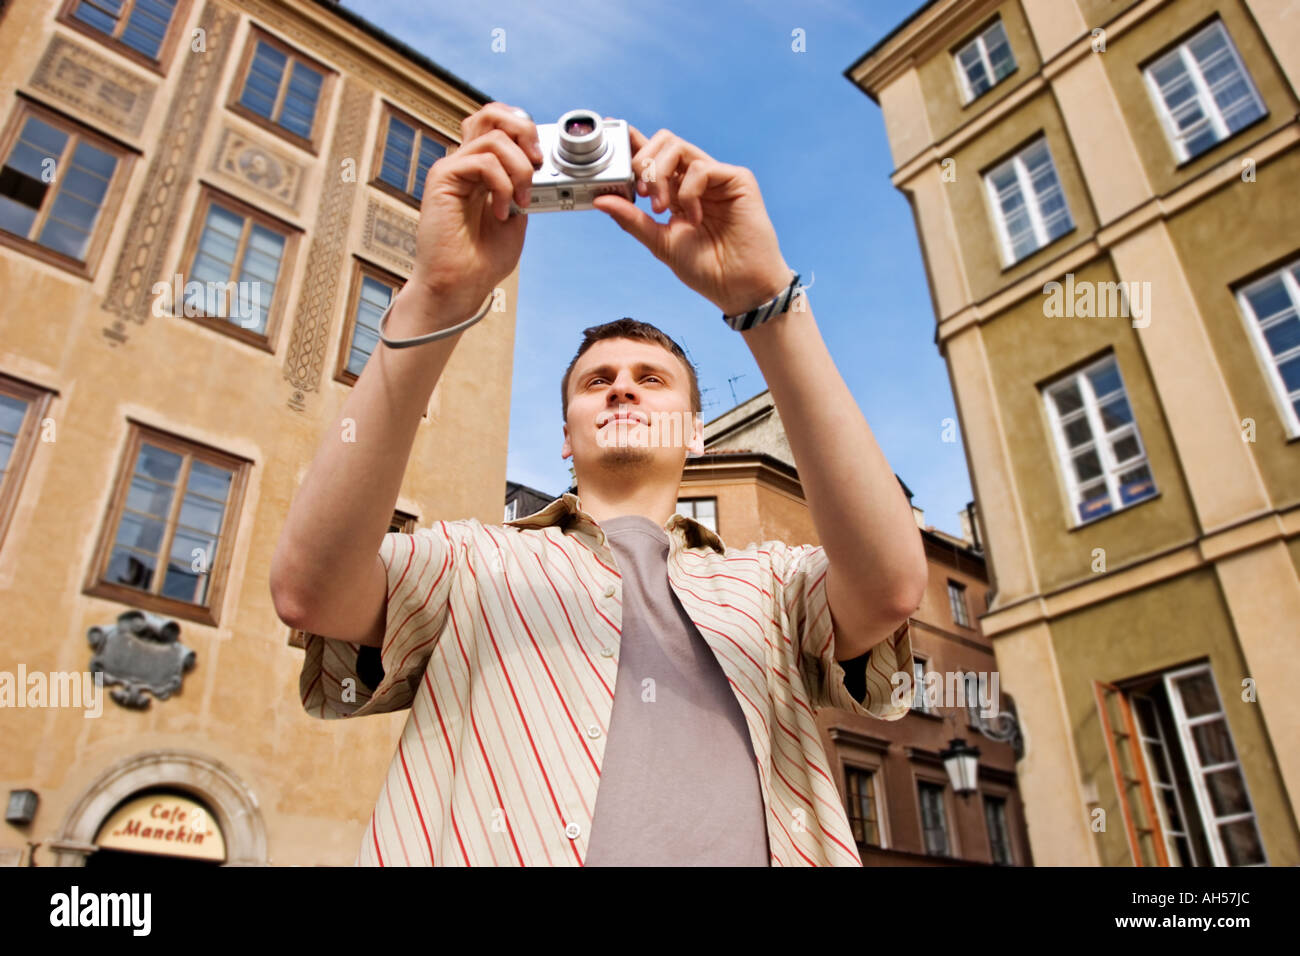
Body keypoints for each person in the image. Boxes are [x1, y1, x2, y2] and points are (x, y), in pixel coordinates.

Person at [270, 101, 927, 866]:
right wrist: (439, 294)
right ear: (564, 439)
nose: (621, 389)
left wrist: (764, 300)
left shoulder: (772, 586)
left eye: (651, 380)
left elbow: (889, 589)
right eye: (596, 382)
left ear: (696, 435)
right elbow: (310, 593)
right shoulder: (469, 565)